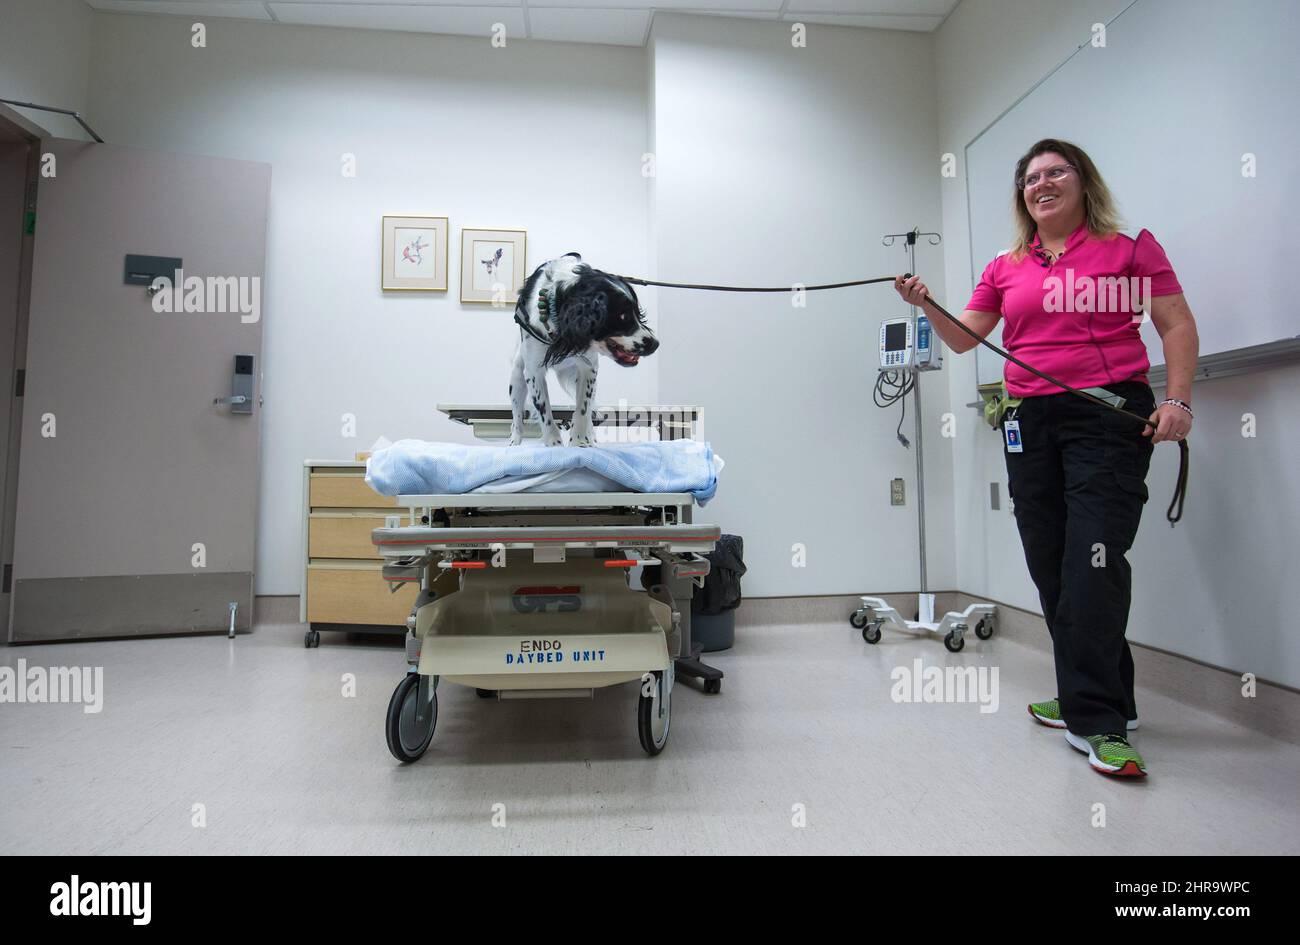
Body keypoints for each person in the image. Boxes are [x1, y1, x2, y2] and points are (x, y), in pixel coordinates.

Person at [895, 138, 1199, 778]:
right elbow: (961, 340)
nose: (1042, 183)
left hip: (1108, 416)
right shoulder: (1007, 266)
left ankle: (1099, 722)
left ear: (1083, 181)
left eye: (1056, 171)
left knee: (1095, 560)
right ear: (1023, 196)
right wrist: (925, 302)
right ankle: (1108, 694)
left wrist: (1179, 401)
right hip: (1029, 421)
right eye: (1031, 177)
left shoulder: (1129, 249)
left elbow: (1174, 322)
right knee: (1052, 561)